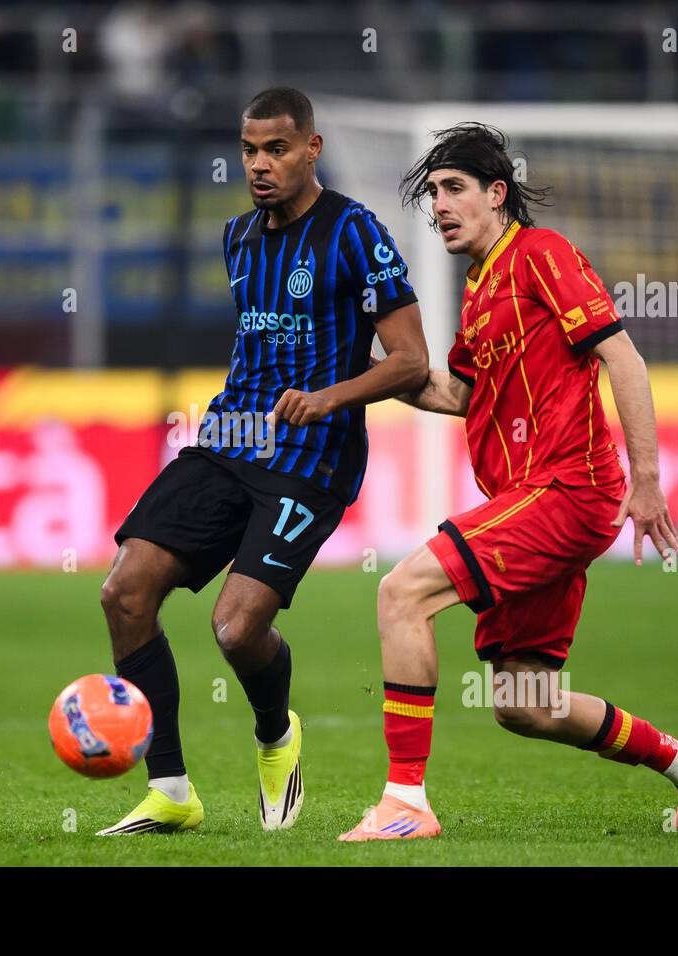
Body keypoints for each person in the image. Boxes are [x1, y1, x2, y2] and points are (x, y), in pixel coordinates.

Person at [339, 124, 678, 842]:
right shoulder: (481, 285)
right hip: (529, 501)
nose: (440, 205)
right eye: (434, 193)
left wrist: (645, 481)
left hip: (569, 489)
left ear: (498, 193)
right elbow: (457, 393)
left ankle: (405, 802)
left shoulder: (541, 254)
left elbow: (624, 359)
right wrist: (365, 363)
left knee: (401, 592)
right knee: (524, 702)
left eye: (454, 188)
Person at [96, 87, 429, 834]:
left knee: (236, 628)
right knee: (124, 592)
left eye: (276, 149)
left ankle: (277, 735)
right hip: (230, 439)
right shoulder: (238, 238)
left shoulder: (354, 232)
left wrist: (330, 395)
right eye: (249, 150)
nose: (259, 164)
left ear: (311, 148)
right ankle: (171, 789)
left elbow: (410, 361)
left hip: (313, 455)